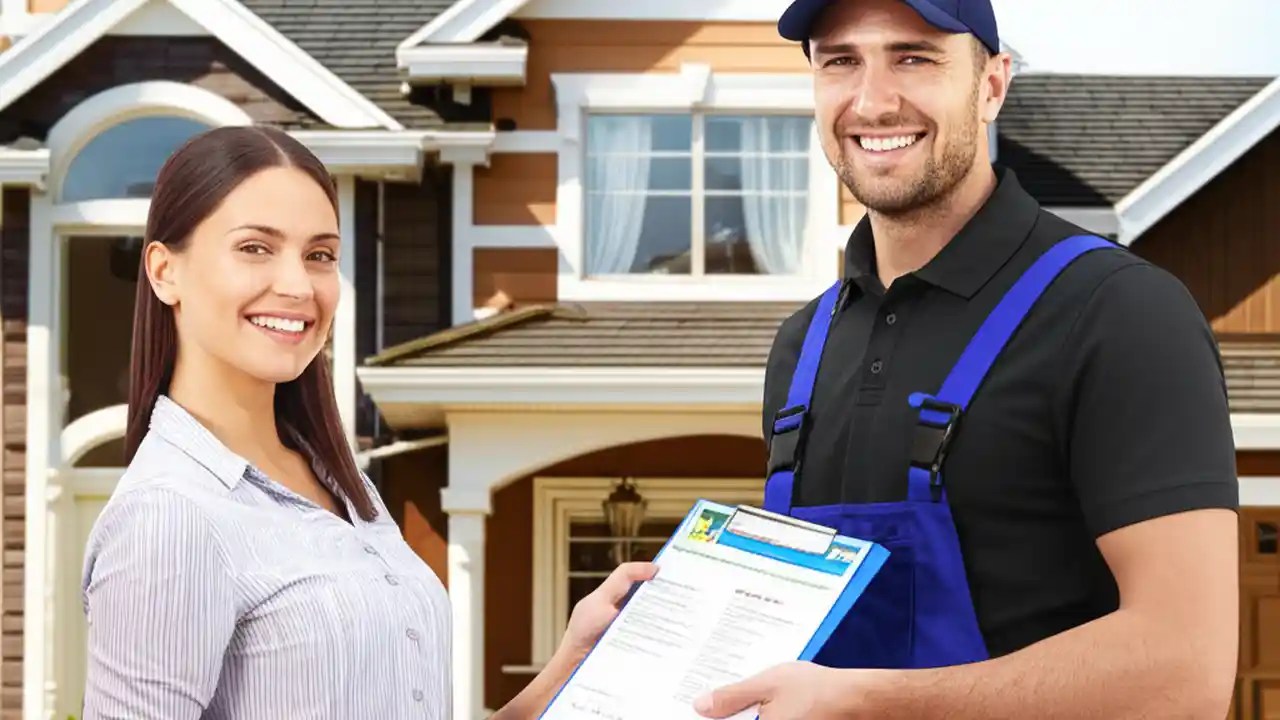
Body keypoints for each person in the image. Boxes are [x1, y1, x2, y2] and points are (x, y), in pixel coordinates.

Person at [694, 1, 1240, 718]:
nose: (873, 100)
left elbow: (1186, 670)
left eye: (914, 57)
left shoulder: (1118, 312)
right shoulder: (804, 345)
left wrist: (867, 702)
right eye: (840, 61)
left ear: (991, 85)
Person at [79, 125, 656, 719]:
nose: (299, 285)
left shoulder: (341, 484)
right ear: (163, 271)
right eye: (255, 247)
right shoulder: (169, 516)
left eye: (320, 255)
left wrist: (569, 664)